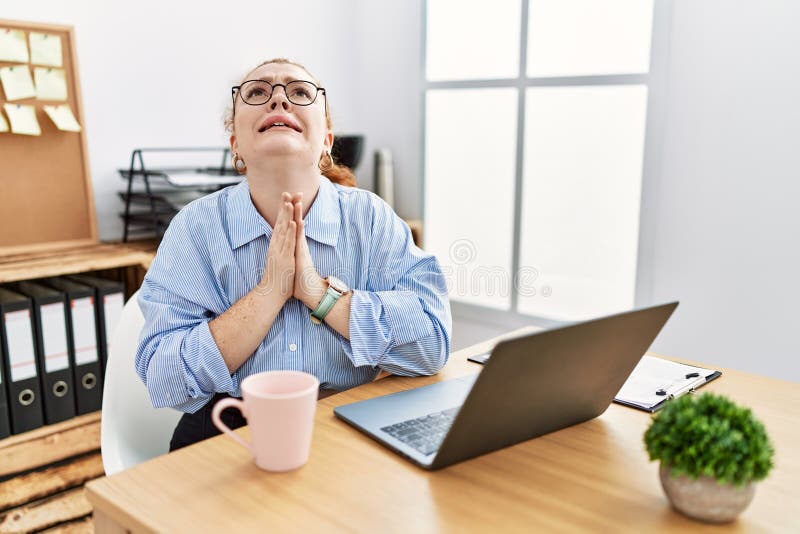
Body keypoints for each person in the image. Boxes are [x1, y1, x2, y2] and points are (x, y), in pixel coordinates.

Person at [135, 58, 452, 451]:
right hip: (225, 435)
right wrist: (269, 293)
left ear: (327, 142)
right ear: (236, 145)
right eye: (257, 92)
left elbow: (432, 344)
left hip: (344, 427)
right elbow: (164, 377)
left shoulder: (370, 218)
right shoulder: (194, 228)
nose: (279, 100)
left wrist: (317, 293)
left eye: (300, 92)